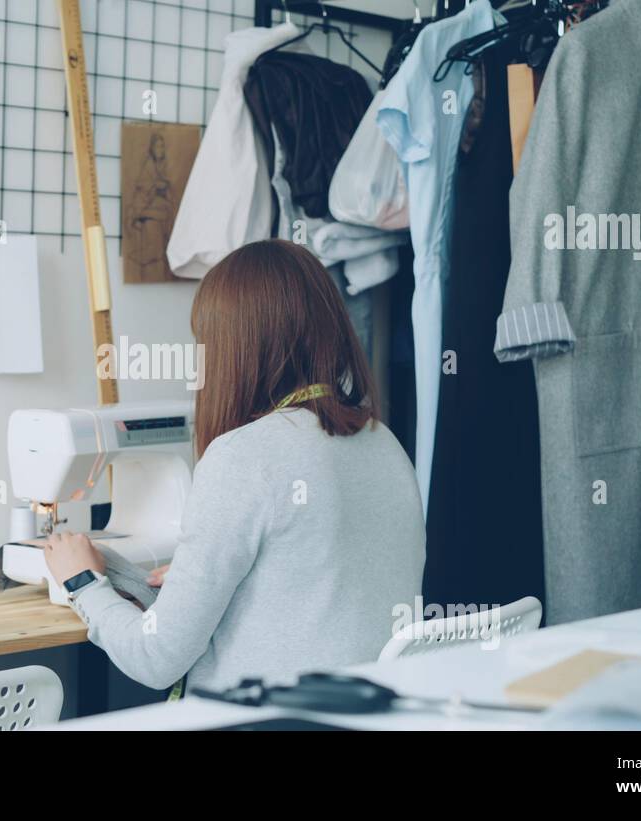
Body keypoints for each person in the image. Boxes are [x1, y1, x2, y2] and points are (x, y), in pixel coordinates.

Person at [44, 239, 425, 693]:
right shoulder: (385, 442)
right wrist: (197, 579)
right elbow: (320, 586)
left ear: (232, 350)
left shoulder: (243, 457)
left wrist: (83, 582)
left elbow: (155, 659)